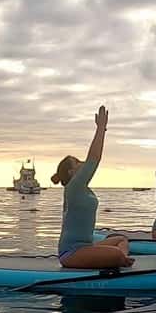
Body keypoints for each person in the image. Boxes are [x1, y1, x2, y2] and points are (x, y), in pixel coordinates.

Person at [51, 105, 134, 269]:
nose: (82, 163)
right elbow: (94, 159)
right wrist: (101, 129)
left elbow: (91, 161)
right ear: (71, 172)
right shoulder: (73, 187)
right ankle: (118, 259)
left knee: (121, 240)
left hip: (87, 247)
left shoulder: (84, 189)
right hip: (71, 252)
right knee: (116, 253)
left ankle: (118, 259)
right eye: (77, 162)